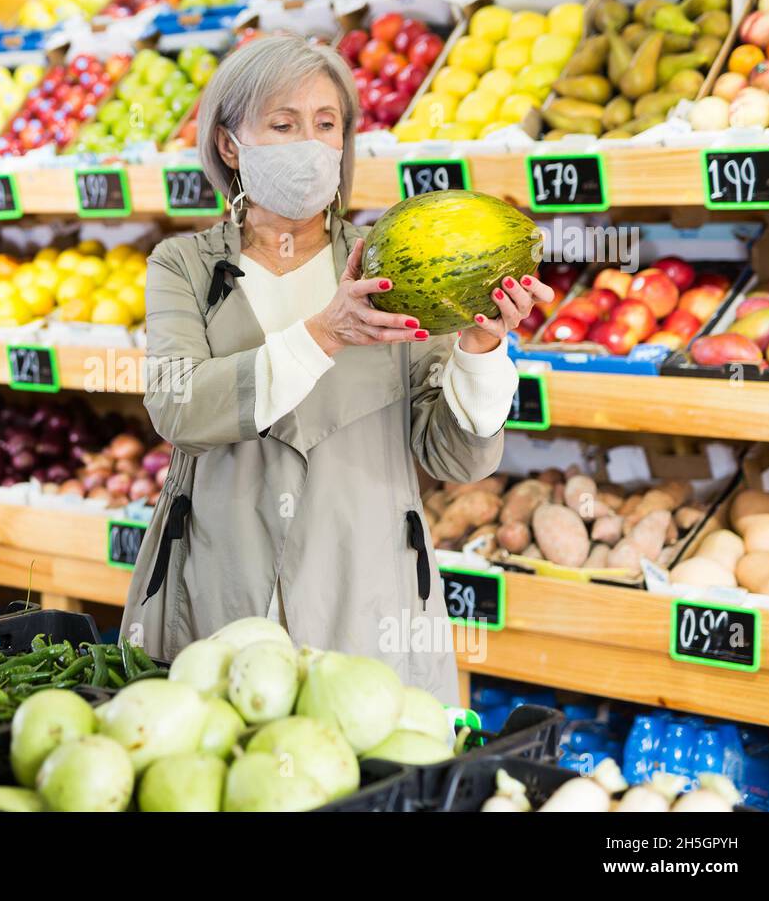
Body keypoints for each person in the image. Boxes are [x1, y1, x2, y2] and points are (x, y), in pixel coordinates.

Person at [121, 36, 552, 704]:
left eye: (326, 125)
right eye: (282, 124)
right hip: (221, 583)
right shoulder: (183, 266)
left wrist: (479, 349)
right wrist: (324, 333)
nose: (309, 143)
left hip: (366, 589)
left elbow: (454, 458)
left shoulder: (395, 266)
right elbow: (179, 408)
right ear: (231, 146)